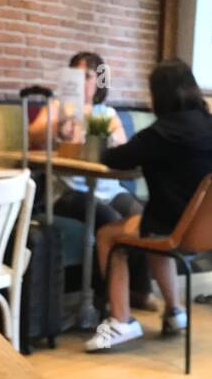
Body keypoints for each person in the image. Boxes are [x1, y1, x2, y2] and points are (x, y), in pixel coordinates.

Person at [83, 59, 212, 353]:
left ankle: (121, 319)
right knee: (153, 234)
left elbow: (116, 158)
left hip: (173, 227)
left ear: (158, 96)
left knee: (109, 236)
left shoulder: (162, 133)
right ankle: (175, 312)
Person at [28, 51, 152, 308]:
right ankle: (103, 295)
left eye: (87, 76)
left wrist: (106, 137)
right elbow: (33, 136)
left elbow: (122, 145)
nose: (81, 82)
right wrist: (58, 124)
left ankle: (139, 290)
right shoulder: (56, 107)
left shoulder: (106, 113)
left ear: (98, 81)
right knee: (108, 219)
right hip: (65, 191)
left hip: (108, 188)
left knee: (142, 217)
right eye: (75, 76)